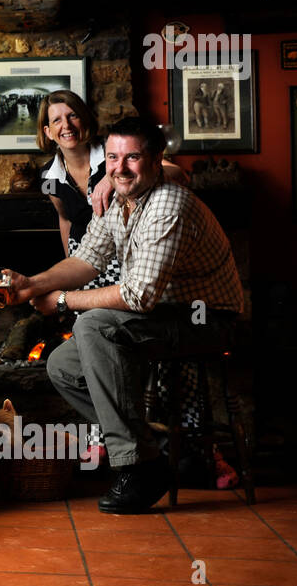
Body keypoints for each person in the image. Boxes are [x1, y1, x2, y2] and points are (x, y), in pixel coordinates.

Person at [6, 117, 243, 514]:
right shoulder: (118, 201)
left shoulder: (168, 203)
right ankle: (162, 448)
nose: (120, 167)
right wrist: (34, 283)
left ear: (155, 159)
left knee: (94, 323)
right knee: (63, 364)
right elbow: (86, 260)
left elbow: (137, 295)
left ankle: (138, 466)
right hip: (160, 314)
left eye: (132, 157)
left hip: (207, 321)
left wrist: (62, 301)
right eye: (113, 157)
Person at [36, 91, 198, 455]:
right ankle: (119, 438)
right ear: (47, 131)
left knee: (115, 340)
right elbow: (65, 219)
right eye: (57, 120)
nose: (66, 125)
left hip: (128, 261)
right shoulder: (50, 175)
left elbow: (175, 173)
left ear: (85, 119)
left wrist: (112, 176)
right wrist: (64, 271)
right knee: (89, 352)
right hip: (89, 259)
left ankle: (166, 441)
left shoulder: (112, 155)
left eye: (73, 115)